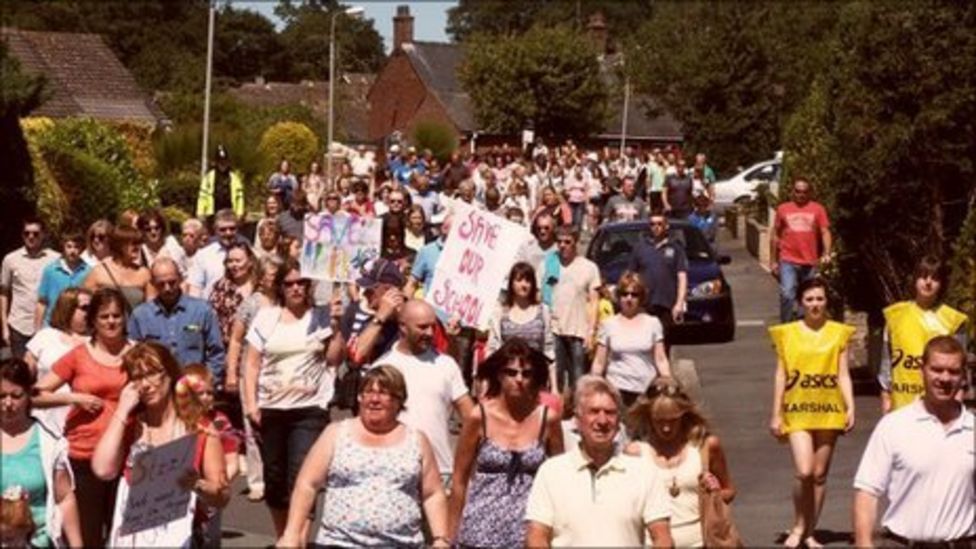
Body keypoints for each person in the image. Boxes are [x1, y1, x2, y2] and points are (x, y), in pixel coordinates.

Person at [278, 365, 448, 547]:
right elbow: (307, 484)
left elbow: (433, 494)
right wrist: (291, 533)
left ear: (399, 400)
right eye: (367, 392)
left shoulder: (416, 440)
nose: (374, 399)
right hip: (339, 542)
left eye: (383, 393)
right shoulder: (336, 433)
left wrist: (441, 539)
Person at [243, 259, 345, 538]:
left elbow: (334, 358)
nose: (296, 288)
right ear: (281, 287)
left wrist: (336, 327)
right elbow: (251, 363)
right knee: (274, 479)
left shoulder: (321, 316)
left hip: (309, 409)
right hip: (271, 407)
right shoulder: (266, 317)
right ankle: (283, 536)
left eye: (301, 282)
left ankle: (297, 539)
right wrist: (251, 404)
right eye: (290, 283)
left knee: (302, 476)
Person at [91, 342, 229, 546]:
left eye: (152, 373)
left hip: (180, 536)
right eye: (137, 377)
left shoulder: (201, 429)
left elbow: (222, 496)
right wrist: (122, 409)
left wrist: (197, 485)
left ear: (170, 374)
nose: (145, 384)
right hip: (131, 537)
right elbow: (102, 470)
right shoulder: (130, 426)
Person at [853, 336, 975, 547]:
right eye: (936, 369)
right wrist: (864, 544)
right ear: (922, 370)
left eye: (953, 371)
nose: (944, 378)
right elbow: (867, 492)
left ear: (963, 376)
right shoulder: (894, 425)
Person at [33, 288, 131, 547]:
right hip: (83, 456)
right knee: (88, 537)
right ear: (94, 322)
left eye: (116, 316)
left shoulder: (137, 354)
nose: (111, 321)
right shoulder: (79, 355)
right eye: (103, 316)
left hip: (125, 457)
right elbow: (37, 394)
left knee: (124, 537)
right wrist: (75, 398)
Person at [525, 375, 673, 547]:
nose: (602, 421)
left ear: (618, 422)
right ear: (577, 420)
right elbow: (536, 536)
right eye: (594, 411)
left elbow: (662, 536)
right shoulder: (551, 472)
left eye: (610, 413)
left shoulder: (643, 472)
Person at [448, 338, 564, 547]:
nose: (519, 379)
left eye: (526, 373)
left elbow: (562, 480)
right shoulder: (478, 417)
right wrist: (448, 539)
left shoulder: (547, 419)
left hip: (527, 533)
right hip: (479, 530)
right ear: (499, 375)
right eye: (511, 373)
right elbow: (459, 481)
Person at [768, 278, 855, 549]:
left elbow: (843, 373)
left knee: (819, 475)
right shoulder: (787, 333)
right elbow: (781, 374)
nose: (815, 304)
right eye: (810, 299)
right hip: (797, 409)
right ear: (800, 303)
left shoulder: (839, 333)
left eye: (819, 299)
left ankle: (809, 531)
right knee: (804, 471)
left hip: (828, 408)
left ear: (826, 301)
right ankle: (798, 524)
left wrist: (850, 405)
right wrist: (776, 413)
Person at [625, 378, 736, 547]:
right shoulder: (636, 452)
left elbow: (729, 490)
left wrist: (714, 492)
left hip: (700, 543)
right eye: (659, 421)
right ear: (648, 417)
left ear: (684, 416)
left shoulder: (704, 447)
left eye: (672, 420)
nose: (666, 428)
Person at [373, 300, 474, 482]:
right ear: (403, 327)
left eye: (432, 327)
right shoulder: (384, 366)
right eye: (422, 327)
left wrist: (465, 462)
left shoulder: (446, 364)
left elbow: (471, 417)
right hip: (394, 473)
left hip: (440, 471)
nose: (429, 333)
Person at [1, 358, 82, 548]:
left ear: (28, 394)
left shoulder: (48, 441)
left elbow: (64, 497)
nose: (8, 403)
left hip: (37, 541)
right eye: (1, 396)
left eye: (16, 395)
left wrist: (77, 544)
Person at [878, 256, 969, 413]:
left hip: (940, 407)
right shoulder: (895, 315)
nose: (928, 282)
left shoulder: (953, 320)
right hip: (902, 404)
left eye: (934, 278)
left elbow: (960, 368)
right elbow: (887, 361)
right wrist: (885, 396)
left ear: (941, 284)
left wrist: (956, 401)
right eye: (923, 276)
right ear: (915, 280)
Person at [225, 255, 280, 502]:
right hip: (251, 371)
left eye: (276, 272)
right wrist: (231, 372)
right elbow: (236, 339)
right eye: (268, 272)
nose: (272, 277)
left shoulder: (285, 302)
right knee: (253, 425)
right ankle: (257, 480)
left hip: (278, 373)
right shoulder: (251, 304)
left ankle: (277, 476)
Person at [128, 258, 226, 383]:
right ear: (152, 283)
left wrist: (206, 382)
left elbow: (216, 353)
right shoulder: (140, 316)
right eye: (161, 284)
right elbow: (133, 357)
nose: (167, 288)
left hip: (193, 387)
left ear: (180, 278)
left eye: (172, 282)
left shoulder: (201, 311)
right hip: (158, 389)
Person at [174, 363, 240, 546]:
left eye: (209, 392)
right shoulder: (177, 420)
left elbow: (232, 461)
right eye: (198, 393)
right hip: (181, 492)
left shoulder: (220, 421)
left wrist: (217, 484)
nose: (205, 398)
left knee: (209, 537)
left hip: (210, 492)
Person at [591, 272, 671, 407]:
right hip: (616, 390)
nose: (629, 298)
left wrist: (668, 382)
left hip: (645, 392)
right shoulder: (609, 324)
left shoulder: (653, 323)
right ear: (619, 296)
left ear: (641, 298)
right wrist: (593, 388)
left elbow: (661, 359)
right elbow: (599, 361)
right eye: (624, 294)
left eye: (634, 295)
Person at [24, 288, 91, 432]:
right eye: (85, 308)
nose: (90, 312)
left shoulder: (96, 343)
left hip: (82, 424)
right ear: (68, 308)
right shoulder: (45, 337)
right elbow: (24, 379)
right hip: (43, 421)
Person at [770, 178, 832, 322]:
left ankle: (807, 325)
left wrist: (827, 253)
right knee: (787, 294)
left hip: (810, 261)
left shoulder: (818, 209)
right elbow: (775, 236)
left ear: (809, 193)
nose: (801, 195)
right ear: (793, 192)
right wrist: (773, 261)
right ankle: (785, 326)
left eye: (804, 192)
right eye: (798, 191)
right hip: (788, 260)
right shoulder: (783, 209)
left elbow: (825, 232)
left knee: (809, 296)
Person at [547, 226, 601, 392]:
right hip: (554, 329)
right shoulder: (549, 264)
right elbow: (540, 296)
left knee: (578, 378)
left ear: (575, 243)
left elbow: (594, 301)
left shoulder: (589, 268)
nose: (563, 245)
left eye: (567, 242)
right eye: (559, 242)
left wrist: (591, 331)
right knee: (555, 378)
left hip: (579, 330)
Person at [486, 262, 556, 388]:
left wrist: (555, 387)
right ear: (511, 283)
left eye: (528, 281)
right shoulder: (500, 313)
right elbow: (492, 350)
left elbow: (549, 350)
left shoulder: (543, 311)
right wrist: (488, 383)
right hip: (507, 383)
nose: (523, 285)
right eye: (519, 280)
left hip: (536, 381)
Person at [627, 213, 688, 355]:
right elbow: (631, 276)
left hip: (666, 304)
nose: (656, 227)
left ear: (666, 226)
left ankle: (663, 375)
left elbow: (682, 276)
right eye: (653, 224)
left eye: (659, 224)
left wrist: (679, 303)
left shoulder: (675, 249)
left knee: (663, 344)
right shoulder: (640, 248)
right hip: (644, 304)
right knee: (644, 343)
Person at [2, 219, 60, 358]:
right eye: (26, 233)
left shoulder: (55, 259)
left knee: (44, 371)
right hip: (19, 325)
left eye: (35, 233)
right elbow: (4, 293)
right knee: (21, 373)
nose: (31, 237)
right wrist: (4, 327)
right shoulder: (11, 259)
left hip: (48, 325)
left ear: (43, 235)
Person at [81, 225, 154, 312]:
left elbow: (151, 309)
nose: (137, 247)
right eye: (133, 243)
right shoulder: (99, 272)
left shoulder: (144, 274)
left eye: (139, 243)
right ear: (119, 244)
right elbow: (84, 304)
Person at [35, 232, 91, 330]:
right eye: (69, 247)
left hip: (77, 328)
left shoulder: (88, 272)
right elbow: (42, 302)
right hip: (51, 326)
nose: (72, 251)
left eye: (76, 247)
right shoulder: (51, 271)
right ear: (63, 248)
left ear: (82, 249)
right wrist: (37, 329)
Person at [188, 209, 246, 300]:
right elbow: (195, 290)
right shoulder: (203, 256)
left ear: (238, 229)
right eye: (223, 230)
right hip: (210, 311)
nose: (228, 233)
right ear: (215, 231)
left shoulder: (248, 254)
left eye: (232, 228)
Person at [208, 243, 256, 349]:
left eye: (238, 261)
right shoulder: (220, 288)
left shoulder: (259, 286)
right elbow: (213, 320)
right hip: (228, 348)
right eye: (230, 261)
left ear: (250, 262)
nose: (234, 265)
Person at [197, 145, 245, 221]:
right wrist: (200, 212)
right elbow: (202, 196)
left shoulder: (235, 178)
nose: (223, 163)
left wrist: (239, 213)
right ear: (216, 162)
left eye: (224, 161)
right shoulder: (208, 178)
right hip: (212, 215)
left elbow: (239, 198)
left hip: (230, 213)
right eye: (220, 161)